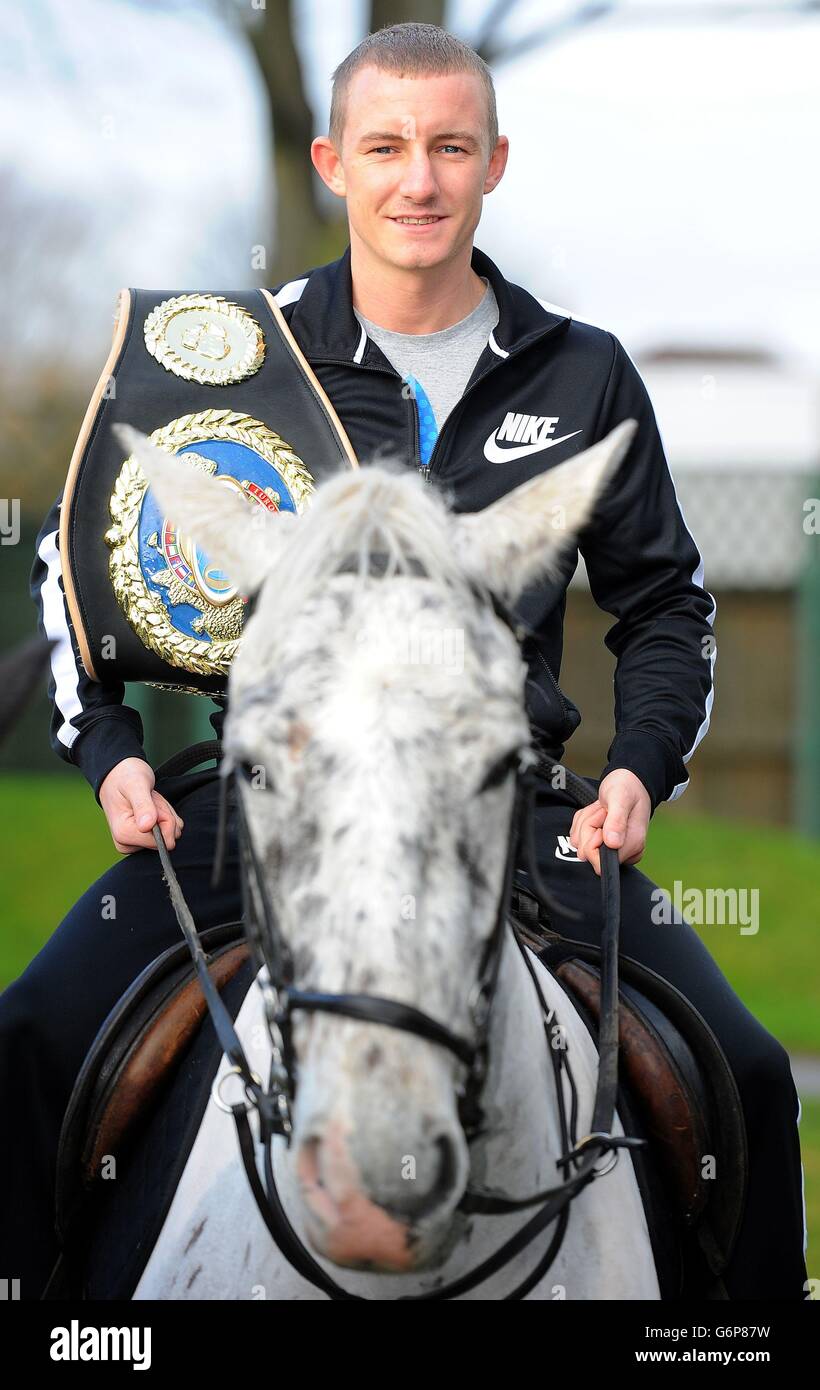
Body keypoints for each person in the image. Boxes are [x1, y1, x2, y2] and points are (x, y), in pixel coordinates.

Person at [2, 22, 807, 1300]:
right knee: (31, 1035)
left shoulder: (582, 369)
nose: (416, 179)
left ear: (495, 161)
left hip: (517, 810)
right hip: (267, 806)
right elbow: (73, 568)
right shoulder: (237, 356)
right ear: (332, 162)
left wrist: (638, 770)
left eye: (447, 147)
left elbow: (666, 604)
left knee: (750, 1075)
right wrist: (109, 756)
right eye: (384, 147)